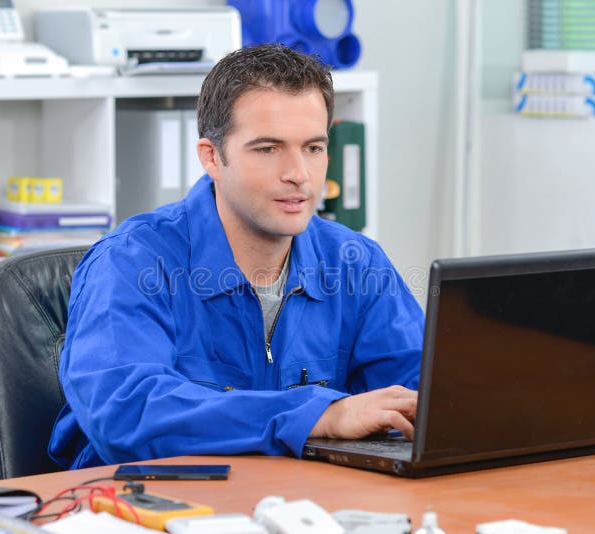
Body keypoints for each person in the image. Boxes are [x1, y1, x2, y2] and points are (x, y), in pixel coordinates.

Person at [48, 44, 425, 469]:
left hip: (305, 507)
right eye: (268, 149)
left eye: (314, 148)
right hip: (148, 508)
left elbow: (426, 398)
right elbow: (126, 415)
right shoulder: (131, 262)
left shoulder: (355, 262)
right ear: (212, 157)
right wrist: (316, 415)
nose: (298, 174)